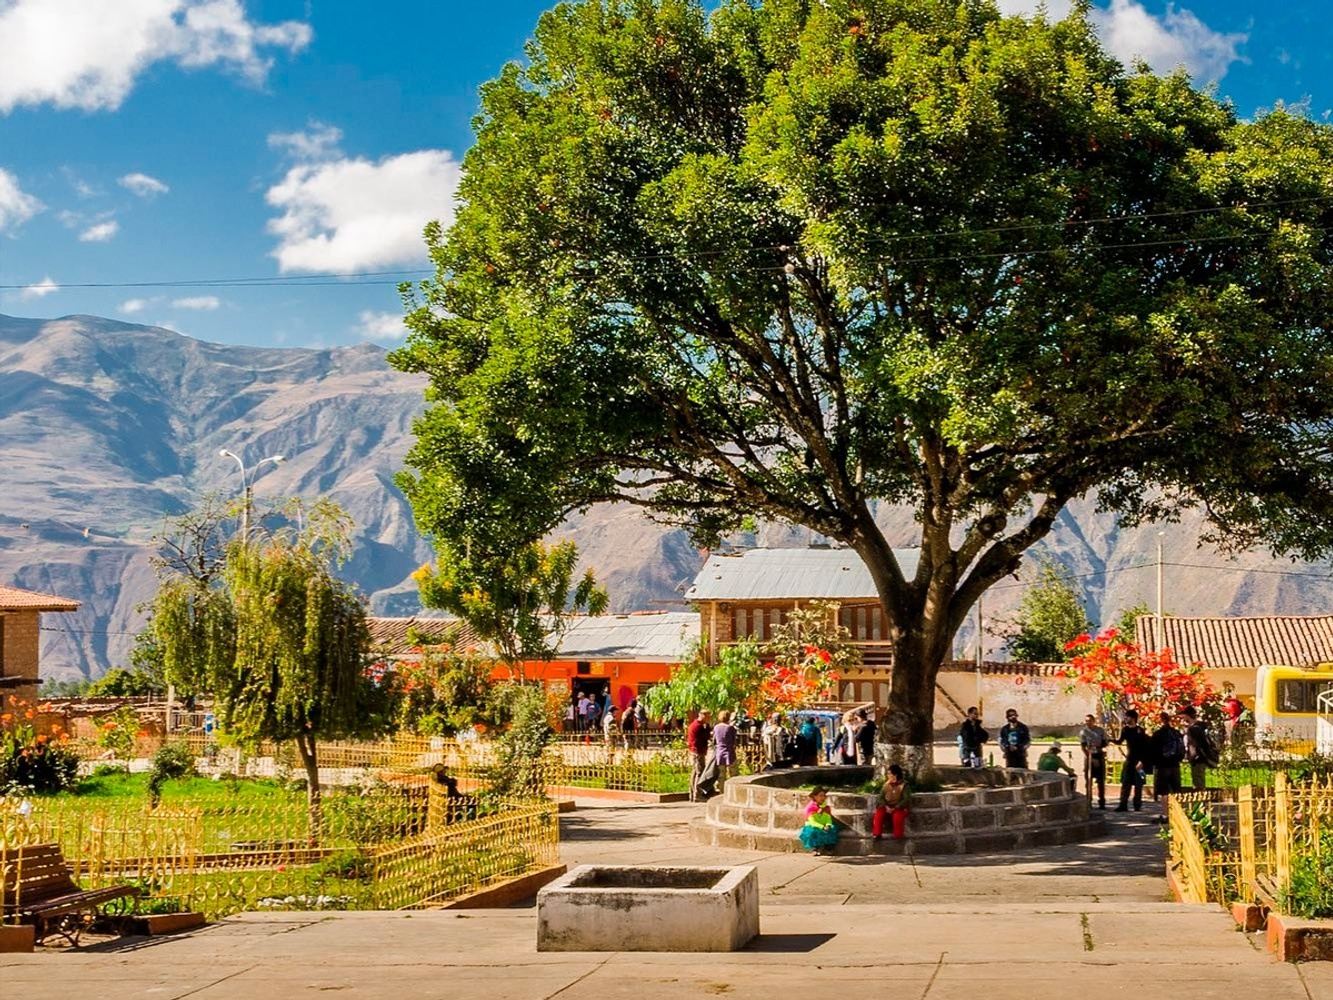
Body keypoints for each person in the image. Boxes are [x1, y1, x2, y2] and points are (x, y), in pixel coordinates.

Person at [1114, 709, 1152, 812]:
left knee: (1139, 784)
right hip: (1129, 760)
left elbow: (1145, 748)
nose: (1126, 719)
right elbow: (1119, 741)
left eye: (1128, 717)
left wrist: (1142, 762)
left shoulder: (1140, 731)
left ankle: (1137, 805)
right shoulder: (1125, 730)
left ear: (1133, 718)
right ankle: (1123, 804)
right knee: (1126, 783)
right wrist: (1109, 739)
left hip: (1139, 761)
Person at [1181, 706, 1219, 791]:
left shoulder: (1193, 729)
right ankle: (1201, 799)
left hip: (1197, 758)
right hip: (1203, 756)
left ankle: (1200, 801)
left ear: (1187, 716)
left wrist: (1192, 756)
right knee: (1200, 779)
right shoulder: (1202, 726)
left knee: (1198, 782)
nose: (1182, 718)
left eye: (1183, 715)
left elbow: (1196, 744)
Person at [1150, 711, 1185, 799]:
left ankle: (1166, 809)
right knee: (1176, 789)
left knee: (1164, 791)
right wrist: (1179, 758)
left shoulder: (1158, 734)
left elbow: (1153, 749)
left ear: (1161, 720)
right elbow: (1182, 747)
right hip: (1175, 764)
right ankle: (1177, 808)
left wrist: (1154, 762)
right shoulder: (1176, 733)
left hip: (1162, 765)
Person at [872, 764, 911, 840]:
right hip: (887, 806)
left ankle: (898, 835)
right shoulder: (886, 784)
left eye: (889, 773)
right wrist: (886, 806)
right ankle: (877, 834)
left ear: (895, 775)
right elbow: (880, 797)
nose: (888, 775)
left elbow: (906, 799)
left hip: (899, 807)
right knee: (878, 815)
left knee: (897, 817)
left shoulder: (904, 785)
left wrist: (896, 807)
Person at [1079, 713, 1109, 809]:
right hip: (1089, 757)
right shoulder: (1084, 732)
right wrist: (1088, 756)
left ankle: (1102, 802)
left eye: (1090, 721)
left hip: (1099, 756)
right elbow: (1083, 746)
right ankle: (1089, 801)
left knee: (1101, 781)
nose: (1088, 723)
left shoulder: (1100, 731)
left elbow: (1105, 742)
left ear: (1093, 721)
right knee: (1088, 781)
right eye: (1086, 721)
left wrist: (1100, 748)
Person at [798, 787, 839, 856]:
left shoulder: (826, 807)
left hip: (824, 824)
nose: (823, 798)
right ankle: (815, 848)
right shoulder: (810, 807)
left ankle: (828, 848)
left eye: (824, 796)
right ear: (815, 796)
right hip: (813, 825)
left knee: (832, 829)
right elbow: (812, 821)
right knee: (813, 831)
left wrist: (828, 825)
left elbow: (828, 818)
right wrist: (822, 827)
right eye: (820, 795)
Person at [687, 710, 713, 801]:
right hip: (698, 752)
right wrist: (708, 728)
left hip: (695, 751)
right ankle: (697, 795)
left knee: (694, 772)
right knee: (699, 773)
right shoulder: (698, 727)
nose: (709, 719)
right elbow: (705, 737)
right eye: (708, 716)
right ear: (702, 715)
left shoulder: (694, 724)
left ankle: (691, 794)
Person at [713, 710, 739, 787]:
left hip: (719, 752)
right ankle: (733, 790)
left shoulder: (716, 727)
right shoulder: (730, 728)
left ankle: (722, 791)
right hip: (729, 752)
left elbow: (714, 740)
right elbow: (734, 741)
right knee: (734, 774)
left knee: (721, 775)